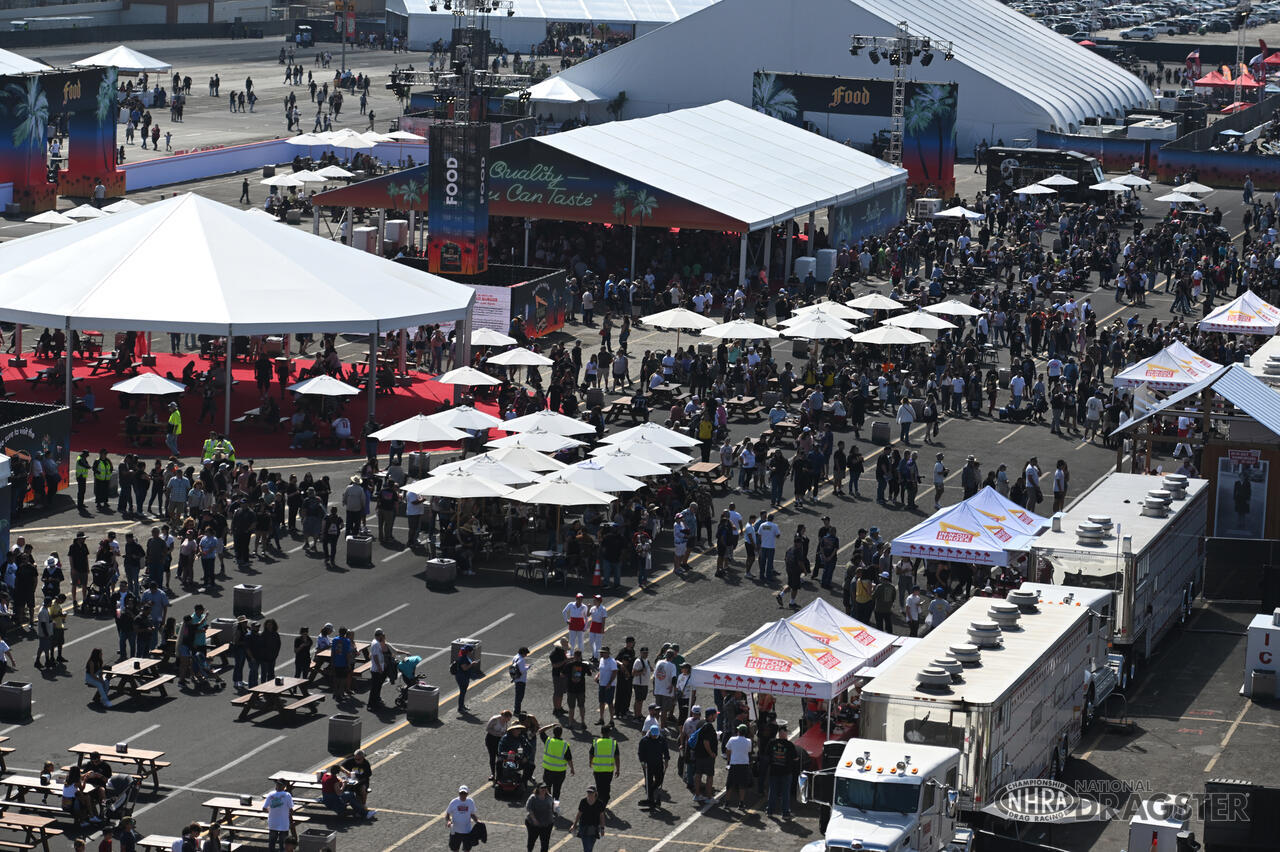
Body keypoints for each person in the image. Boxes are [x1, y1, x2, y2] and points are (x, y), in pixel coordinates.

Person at [765, 724, 798, 819]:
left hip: (773, 771)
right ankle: (785, 813)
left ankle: (770, 811)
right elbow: (795, 758)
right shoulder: (790, 745)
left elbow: (767, 755)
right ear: (786, 734)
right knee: (785, 793)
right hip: (786, 772)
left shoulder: (772, 743)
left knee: (772, 792)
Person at [637, 724, 669, 808]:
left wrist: (666, 760)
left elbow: (666, 750)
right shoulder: (644, 741)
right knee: (649, 781)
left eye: (656, 735)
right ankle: (650, 798)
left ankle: (651, 790)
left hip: (658, 763)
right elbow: (641, 753)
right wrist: (642, 762)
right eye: (653, 735)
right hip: (648, 765)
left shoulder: (661, 739)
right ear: (650, 733)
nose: (655, 737)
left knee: (659, 780)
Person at [589, 722, 621, 807]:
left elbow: (591, 754)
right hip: (608, 770)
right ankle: (603, 804)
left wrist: (590, 763)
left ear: (601, 733)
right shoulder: (613, 743)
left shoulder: (596, 742)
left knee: (599, 787)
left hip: (597, 770)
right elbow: (617, 757)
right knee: (606, 788)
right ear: (609, 733)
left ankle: (598, 802)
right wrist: (618, 769)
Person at [538, 722, 574, 798]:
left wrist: (551, 725)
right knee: (557, 791)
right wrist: (572, 769)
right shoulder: (565, 745)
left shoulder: (548, 741)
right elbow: (569, 759)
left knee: (547, 790)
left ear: (553, 733)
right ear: (561, 734)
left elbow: (541, 731)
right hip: (560, 772)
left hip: (548, 770)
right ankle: (556, 808)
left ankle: (548, 806)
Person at [724, 723, 754, 811]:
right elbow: (749, 751)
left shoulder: (732, 739)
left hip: (734, 764)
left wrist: (728, 762)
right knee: (742, 785)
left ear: (738, 732)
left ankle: (727, 802)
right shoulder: (749, 741)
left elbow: (728, 751)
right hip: (744, 765)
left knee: (730, 784)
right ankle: (741, 803)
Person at [568, 786, 606, 852]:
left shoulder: (599, 803)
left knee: (591, 845)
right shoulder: (583, 801)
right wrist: (574, 825)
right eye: (588, 792)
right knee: (586, 846)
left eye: (591, 792)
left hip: (594, 827)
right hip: (584, 826)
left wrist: (602, 828)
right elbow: (579, 814)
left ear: (595, 793)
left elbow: (601, 816)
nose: (589, 794)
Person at [262, 779, 294, 851]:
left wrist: (271, 811)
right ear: (284, 787)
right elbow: (291, 809)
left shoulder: (270, 795)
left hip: (273, 822)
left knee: (272, 844)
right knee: (283, 845)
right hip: (284, 823)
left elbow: (264, 808)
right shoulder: (287, 795)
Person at [445, 785, 480, 851]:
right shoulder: (454, 802)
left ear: (467, 794)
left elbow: (472, 814)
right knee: (455, 849)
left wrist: (478, 821)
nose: (463, 795)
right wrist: (448, 821)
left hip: (467, 831)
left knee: (467, 850)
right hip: (455, 831)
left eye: (464, 793)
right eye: (461, 793)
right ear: (459, 793)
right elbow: (447, 814)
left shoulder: (470, 802)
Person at [525, 781, 556, 852]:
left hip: (547, 824)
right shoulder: (533, 797)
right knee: (531, 840)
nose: (544, 789)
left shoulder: (549, 797)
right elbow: (528, 808)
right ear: (538, 789)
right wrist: (534, 819)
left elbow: (553, 808)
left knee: (545, 843)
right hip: (534, 824)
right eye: (542, 788)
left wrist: (556, 810)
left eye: (545, 787)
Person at [452, 644, 477, 713]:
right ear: (469, 651)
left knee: (463, 692)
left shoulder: (464, 656)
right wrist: (472, 664)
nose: (472, 652)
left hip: (464, 676)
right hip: (462, 677)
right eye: (471, 651)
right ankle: (460, 708)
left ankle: (462, 706)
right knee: (462, 692)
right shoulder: (464, 658)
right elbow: (464, 668)